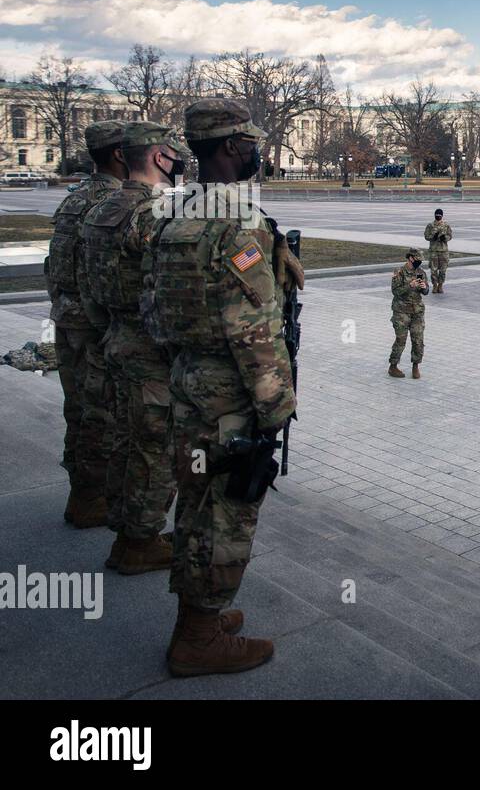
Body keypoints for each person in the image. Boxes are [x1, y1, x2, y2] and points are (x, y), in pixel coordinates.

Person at [145, 98, 303, 676]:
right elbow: (254, 331)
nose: (257, 151)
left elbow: (151, 307)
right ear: (234, 147)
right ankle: (197, 638)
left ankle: (202, 617)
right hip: (229, 400)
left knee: (194, 500)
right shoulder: (238, 222)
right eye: (252, 142)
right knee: (228, 514)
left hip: (186, 384)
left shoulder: (176, 213)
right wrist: (277, 406)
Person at [82, 121, 187, 574]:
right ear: (161, 157)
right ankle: (140, 542)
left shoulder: (102, 208)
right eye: (174, 155)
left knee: (126, 441)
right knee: (153, 449)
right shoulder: (150, 214)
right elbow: (171, 289)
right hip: (148, 349)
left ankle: (126, 531)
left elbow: (86, 284)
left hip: (114, 339)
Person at [45, 120, 128, 529]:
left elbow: (54, 265)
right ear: (118, 155)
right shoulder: (110, 204)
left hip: (66, 320)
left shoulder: (75, 199)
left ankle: (81, 490)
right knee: (102, 415)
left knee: (78, 410)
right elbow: (106, 277)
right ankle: (90, 498)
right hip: (94, 328)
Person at [389, 248, 430, 378]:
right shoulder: (399, 272)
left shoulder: (421, 272)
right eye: (417, 259)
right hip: (401, 312)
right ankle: (393, 366)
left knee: (418, 339)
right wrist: (409, 286)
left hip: (417, 311)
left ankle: (415, 366)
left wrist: (425, 288)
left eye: (420, 260)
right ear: (410, 258)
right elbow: (395, 291)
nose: (419, 262)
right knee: (401, 339)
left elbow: (426, 291)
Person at [423, 208, 453, 293]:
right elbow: (426, 236)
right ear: (434, 215)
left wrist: (445, 238)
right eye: (437, 215)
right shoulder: (430, 225)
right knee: (433, 270)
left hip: (444, 251)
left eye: (439, 215)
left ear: (442, 216)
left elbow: (450, 235)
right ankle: (435, 286)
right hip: (434, 251)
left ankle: (440, 285)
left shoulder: (446, 225)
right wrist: (433, 237)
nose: (438, 216)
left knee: (443, 270)